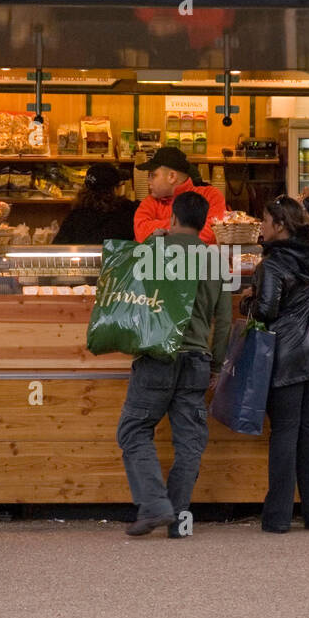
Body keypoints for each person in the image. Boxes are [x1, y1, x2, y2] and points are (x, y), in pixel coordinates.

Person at [117, 191, 232, 538]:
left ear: (173, 219)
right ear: (206, 223)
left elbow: (127, 294)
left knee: (134, 430)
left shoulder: (155, 250)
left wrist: (155, 241)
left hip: (157, 356)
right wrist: (215, 366)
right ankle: (179, 520)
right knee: (190, 442)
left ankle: (154, 506)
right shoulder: (214, 260)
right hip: (197, 360)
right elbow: (224, 321)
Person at [240, 191, 309, 534]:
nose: (262, 227)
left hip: (286, 357)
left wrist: (247, 303)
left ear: (280, 226)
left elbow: (267, 311)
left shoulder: (272, 264)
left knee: (285, 431)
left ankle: (278, 518)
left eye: (266, 222)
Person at [133, 146, 226, 245]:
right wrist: (190, 225)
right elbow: (142, 235)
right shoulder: (150, 201)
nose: (148, 181)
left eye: (153, 175)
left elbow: (210, 235)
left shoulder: (211, 195)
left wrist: (162, 229)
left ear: (172, 176)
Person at [53, 162, 138, 244]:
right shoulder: (126, 212)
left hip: (84, 258)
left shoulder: (75, 216)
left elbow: (58, 249)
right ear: (114, 190)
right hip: (115, 258)